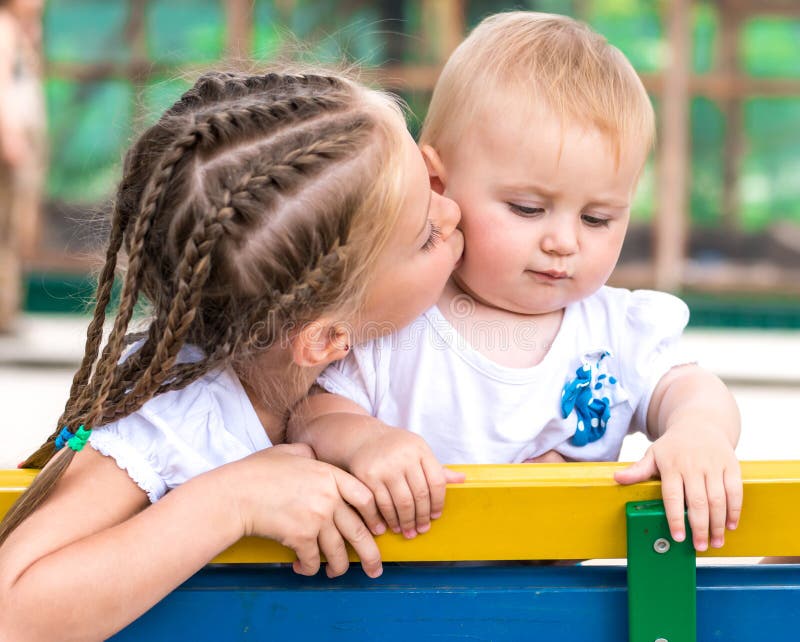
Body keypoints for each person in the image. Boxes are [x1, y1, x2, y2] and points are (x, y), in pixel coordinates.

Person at [0, 67, 464, 641]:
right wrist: (234, 500)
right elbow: (12, 612)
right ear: (324, 338)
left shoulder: (373, 351)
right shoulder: (181, 412)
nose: (455, 213)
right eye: (426, 235)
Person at [289, 12, 743, 554]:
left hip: (561, 610)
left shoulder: (616, 328)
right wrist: (365, 441)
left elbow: (690, 389)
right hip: (399, 604)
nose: (564, 242)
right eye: (528, 209)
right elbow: (313, 414)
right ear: (439, 184)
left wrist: (699, 434)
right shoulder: (403, 312)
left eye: (597, 219)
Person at [0, 0, 46, 332]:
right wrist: (9, 137)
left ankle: (8, 310)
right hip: (9, 145)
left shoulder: (22, 30)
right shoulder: (4, 27)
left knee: (17, 230)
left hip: (22, 142)